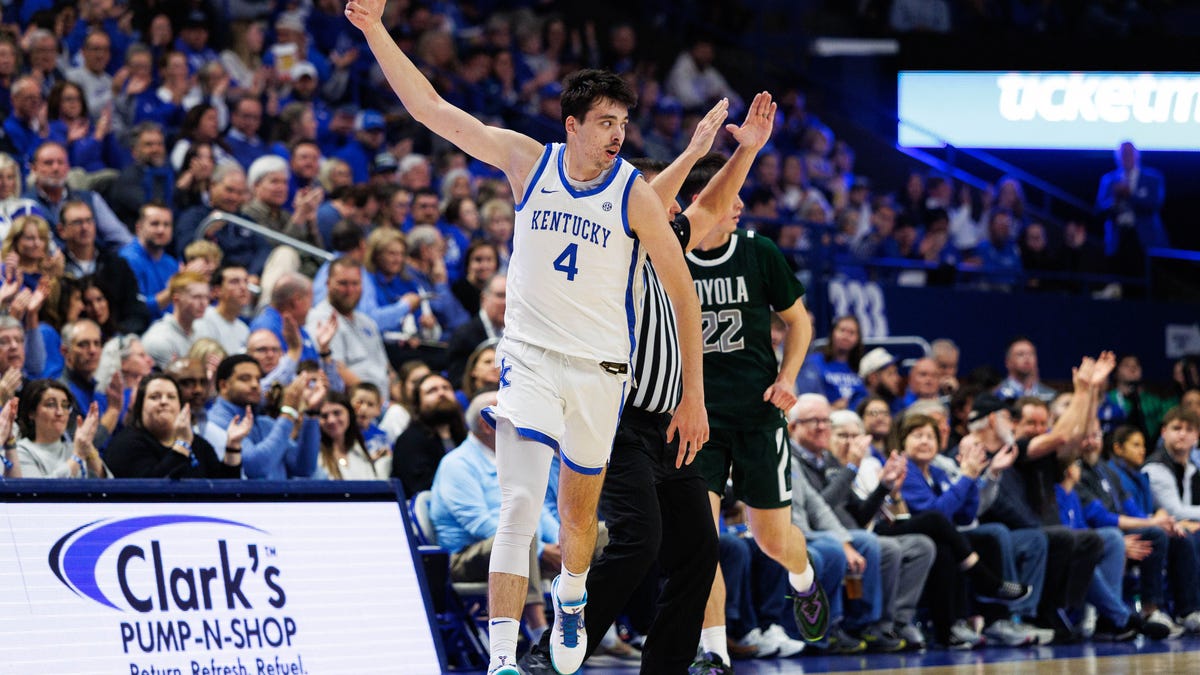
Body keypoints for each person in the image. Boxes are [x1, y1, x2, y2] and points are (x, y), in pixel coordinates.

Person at [348, 4, 711, 673]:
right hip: (529, 359)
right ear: (571, 124)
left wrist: (695, 393)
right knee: (517, 503)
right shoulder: (526, 161)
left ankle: (572, 595)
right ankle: (504, 658)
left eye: (623, 123)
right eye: (605, 122)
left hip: (600, 372)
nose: (616, 134)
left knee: (578, 527)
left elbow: (682, 290)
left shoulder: (634, 193)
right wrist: (375, 31)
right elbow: (431, 107)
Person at [678, 143, 827, 668]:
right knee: (701, 541)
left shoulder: (759, 251)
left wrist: (788, 378)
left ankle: (804, 580)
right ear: (703, 198)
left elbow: (800, 322)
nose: (740, 202)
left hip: (759, 415)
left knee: (771, 541)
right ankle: (713, 650)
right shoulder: (671, 258)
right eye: (732, 191)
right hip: (697, 420)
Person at [105, 373, 246, 479]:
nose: (164, 402)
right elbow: (154, 490)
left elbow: (226, 490)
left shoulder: (198, 445)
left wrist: (233, 447)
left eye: (171, 397)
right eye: (155, 397)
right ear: (141, 406)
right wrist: (182, 444)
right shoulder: (126, 444)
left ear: (181, 407)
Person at [1095, 141, 1167, 278]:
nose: (1126, 157)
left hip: (1144, 240)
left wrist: (1130, 196)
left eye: (1129, 154)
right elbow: (1098, 209)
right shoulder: (1109, 180)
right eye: (1123, 154)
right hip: (1118, 237)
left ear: (1137, 155)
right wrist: (1115, 200)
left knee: (1147, 281)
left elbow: (1155, 204)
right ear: (1117, 157)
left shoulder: (1153, 178)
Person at [13, 379, 106, 478]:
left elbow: (110, 487)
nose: (60, 412)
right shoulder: (21, 451)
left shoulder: (74, 449)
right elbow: (37, 490)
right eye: (51, 404)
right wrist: (78, 456)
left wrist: (88, 446)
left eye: (65, 406)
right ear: (31, 413)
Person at [316, 390, 389, 479]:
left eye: (337, 413)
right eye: (324, 416)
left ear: (349, 414)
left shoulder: (358, 448)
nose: (331, 420)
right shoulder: (315, 454)